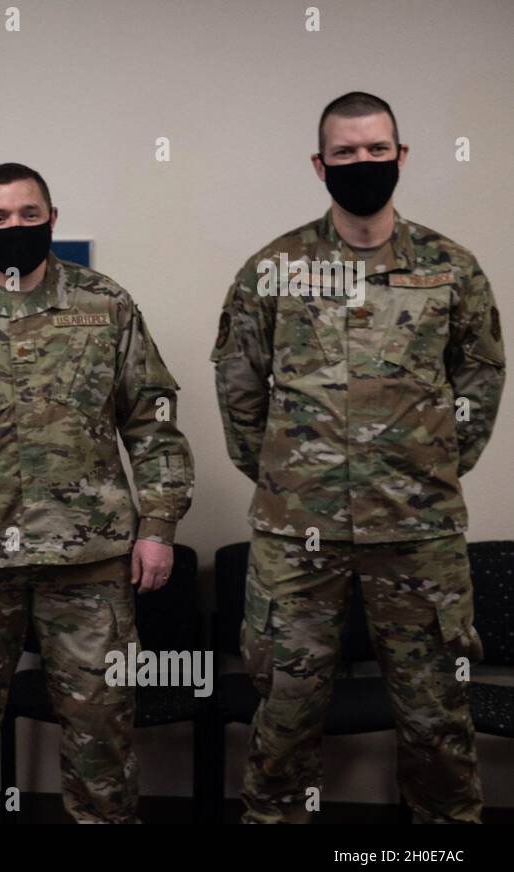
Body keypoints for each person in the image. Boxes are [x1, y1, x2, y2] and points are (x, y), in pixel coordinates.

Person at [211, 92, 504, 824]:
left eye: (377, 150)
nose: (362, 163)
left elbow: (481, 381)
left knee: (437, 726)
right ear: (320, 164)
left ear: (401, 156)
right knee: (282, 724)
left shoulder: (450, 269)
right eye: (346, 152)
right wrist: (289, 475)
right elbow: (238, 389)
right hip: (295, 539)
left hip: (417, 534)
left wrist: (424, 467)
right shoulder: (272, 268)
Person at [0, 163, 194, 823]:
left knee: (101, 736)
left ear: (50, 217)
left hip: (89, 561)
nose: (14, 227)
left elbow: (152, 420)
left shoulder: (106, 305)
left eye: (27, 215)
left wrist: (158, 524)